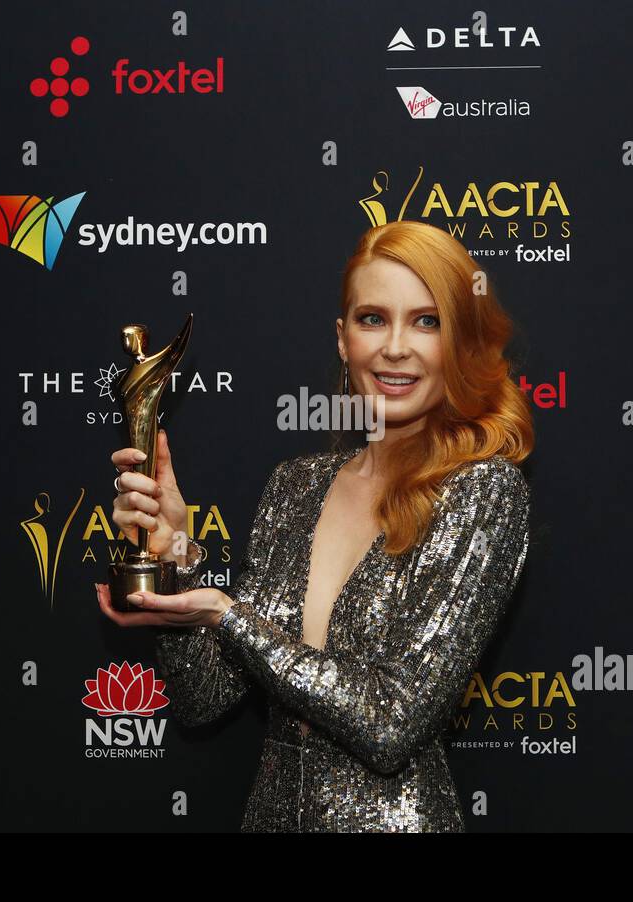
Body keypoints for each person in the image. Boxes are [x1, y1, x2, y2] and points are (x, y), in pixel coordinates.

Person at [95, 219, 534, 831]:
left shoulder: (483, 493)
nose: (396, 347)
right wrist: (174, 553)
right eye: (372, 318)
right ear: (341, 339)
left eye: (426, 321)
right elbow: (202, 700)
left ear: (459, 343)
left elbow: (391, 723)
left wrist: (229, 615)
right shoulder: (295, 486)